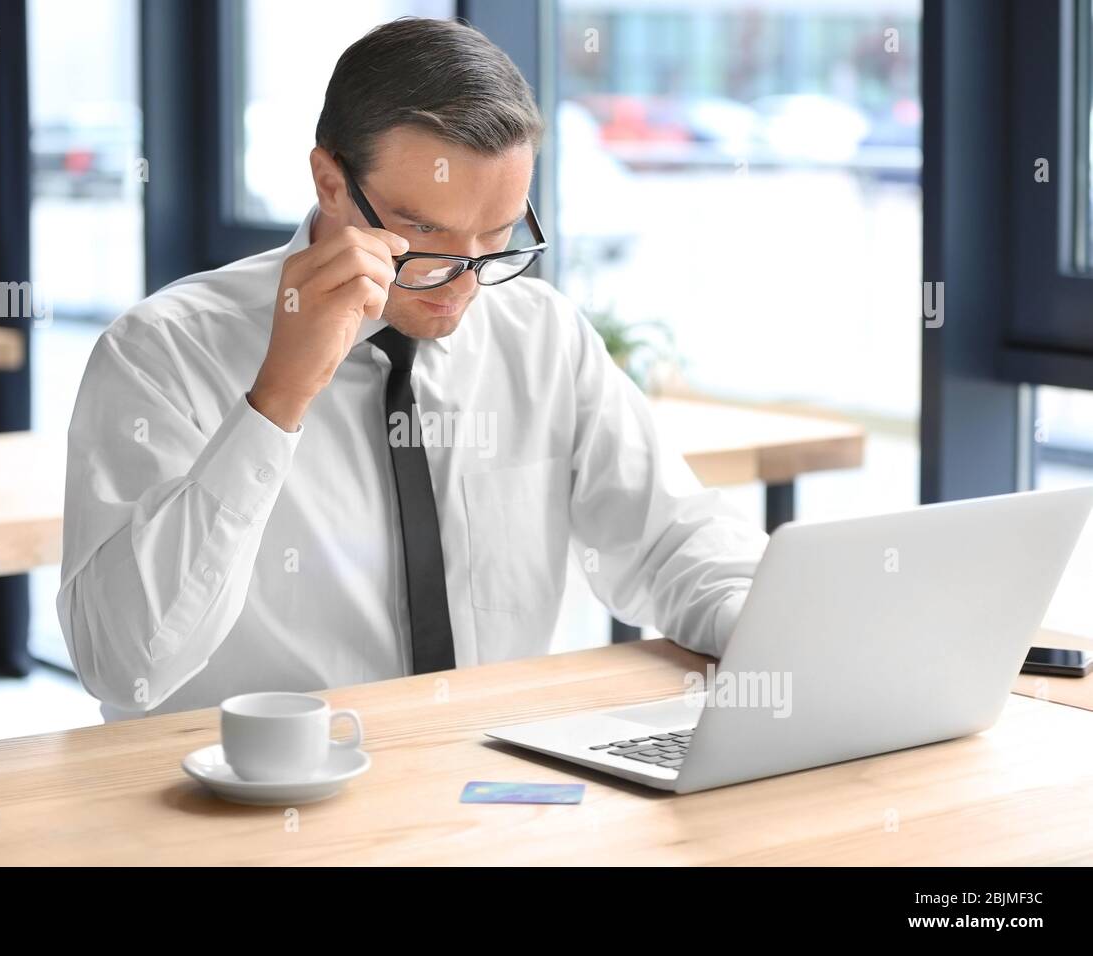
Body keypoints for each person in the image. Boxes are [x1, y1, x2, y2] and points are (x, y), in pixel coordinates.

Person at [58, 16, 768, 720]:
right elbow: (124, 666)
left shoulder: (541, 335)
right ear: (329, 182)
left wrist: (769, 631)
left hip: (496, 792)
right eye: (425, 233)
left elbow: (672, 541)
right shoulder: (161, 352)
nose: (464, 282)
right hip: (251, 811)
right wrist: (276, 399)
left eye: (495, 237)